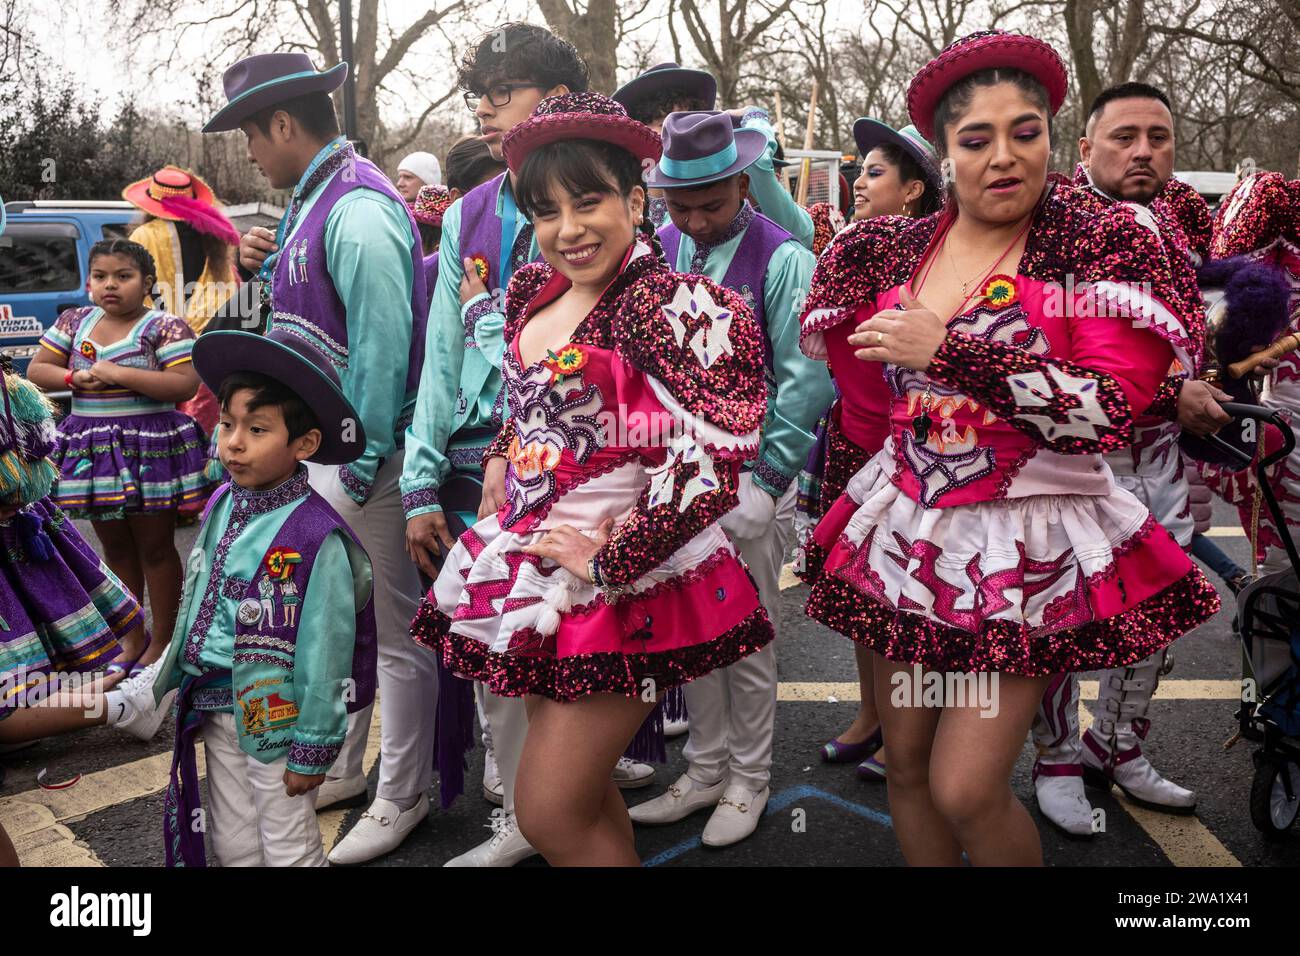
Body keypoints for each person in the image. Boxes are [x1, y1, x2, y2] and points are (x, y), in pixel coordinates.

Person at [800, 30, 1219, 866]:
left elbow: (1103, 412)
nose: (1004, 157)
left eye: (1025, 132)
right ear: (945, 154)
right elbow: (857, 384)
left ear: (1051, 139)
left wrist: (950, 351)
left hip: (1028, 548)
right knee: (909, 769)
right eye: (976, 139)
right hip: (909, 536)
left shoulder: (1099, 245)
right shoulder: (895, 247)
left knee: (966, 786)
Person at [409, 91, 774, 866]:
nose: (568, 229)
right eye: (546, 211)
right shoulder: (529, 293)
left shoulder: (672, 306)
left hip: (618, 586)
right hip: (534, 565)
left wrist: (614, 555)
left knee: (546, 808)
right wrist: (505, 455)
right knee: (580, 798)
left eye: (589, 201)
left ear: (637, 201)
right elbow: (526, 397)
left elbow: (716, 453)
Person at [206, 51, 431, 864]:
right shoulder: (317, 201)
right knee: (339, 627)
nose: (250, 155)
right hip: (331, 460)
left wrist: (355, 466)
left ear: (282, 124)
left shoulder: (359, 209)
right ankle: (344, 762)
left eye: (250, 137)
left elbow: (380, 351)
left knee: (397, 635)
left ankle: (403, 790)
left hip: (362, 460)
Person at [402, 22, 600, 868]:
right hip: (482, 469)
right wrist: (417, 484)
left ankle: (565, 812)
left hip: (588, 468)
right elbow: (437, 357)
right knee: (492, 646)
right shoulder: (470, 213)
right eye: (475, 92)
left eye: (499, 90)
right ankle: (519, 818)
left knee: (579, 649)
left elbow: (606, 360)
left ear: (553, 100)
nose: (481, 109)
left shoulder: (610, 198)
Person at [1030, 81, 1232, 835]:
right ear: (1084, 149)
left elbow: (1190, 327)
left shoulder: (1180, 215)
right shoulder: (1049, 222)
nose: (1144, 150)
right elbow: (1038, 351)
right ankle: (1054, 760)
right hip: (1073, 466)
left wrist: (1205, 379)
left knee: (1154, 613)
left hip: (1163, 461)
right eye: (1124, 136)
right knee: (1061, 616)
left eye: (1159, 136)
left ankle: (1115, 745)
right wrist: (1166, 392)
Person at [626, 111, 831, 847]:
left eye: (709, 204)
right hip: (680, 481)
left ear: (743, 182)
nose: (693, 220)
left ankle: (749, 778)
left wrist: (768, 484)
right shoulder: (667, 246)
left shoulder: (784, 261)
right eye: (678, 207)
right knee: (691, 636)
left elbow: (807, 383)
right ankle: (706, 769)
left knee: (745, 642)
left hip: (748, 488)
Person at [151, 327, 378, 867]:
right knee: (233, 842)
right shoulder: (222, 504)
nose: (232, 442)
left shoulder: (315, 537)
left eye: (256, 429)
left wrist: (314, 746)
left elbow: (327, 651)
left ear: (304, 445)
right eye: (227, 424)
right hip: (215, 704)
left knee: (289, 847)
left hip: (279, 717)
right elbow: (195, 599)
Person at [810, 119, 942, 785]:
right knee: (861, 597)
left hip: (912, 452)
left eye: (876, 172)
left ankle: (911, 730)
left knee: (910, 597)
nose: (860, 181)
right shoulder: (846, 249)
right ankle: (872, 716)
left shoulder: (934, 265)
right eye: (858, 170)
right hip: (852, 443)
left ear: (915, 189)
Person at [27, 239, 208, 674]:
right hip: (94, 452)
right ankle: (131, 637)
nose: (111, 285)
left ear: (146, 283)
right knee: (115, 547)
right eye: (101, 277)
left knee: (156, 547)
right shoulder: (76, 321)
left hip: (148, 451)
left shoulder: (164, 327)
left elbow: (184, 384)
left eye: (123, 277)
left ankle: (164, 640)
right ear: (90, 283)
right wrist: (73, 377)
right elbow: (37, 369)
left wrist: (116, 373)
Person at [124, 166, 242, 513]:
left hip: (161, 341)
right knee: (207, 419)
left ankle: (172, 500)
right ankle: (211, 499)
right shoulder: (215, 238)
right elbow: (232, 291)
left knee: (163, 424)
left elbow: (138, 294)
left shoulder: (144, 235)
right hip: (212, 337)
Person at [612, 62, 814, 246]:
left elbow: (800, 232)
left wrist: (754, 117)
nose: (675, 132)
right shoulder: (624, 199)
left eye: (686, 120)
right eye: (661, 123)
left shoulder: (732, 188)